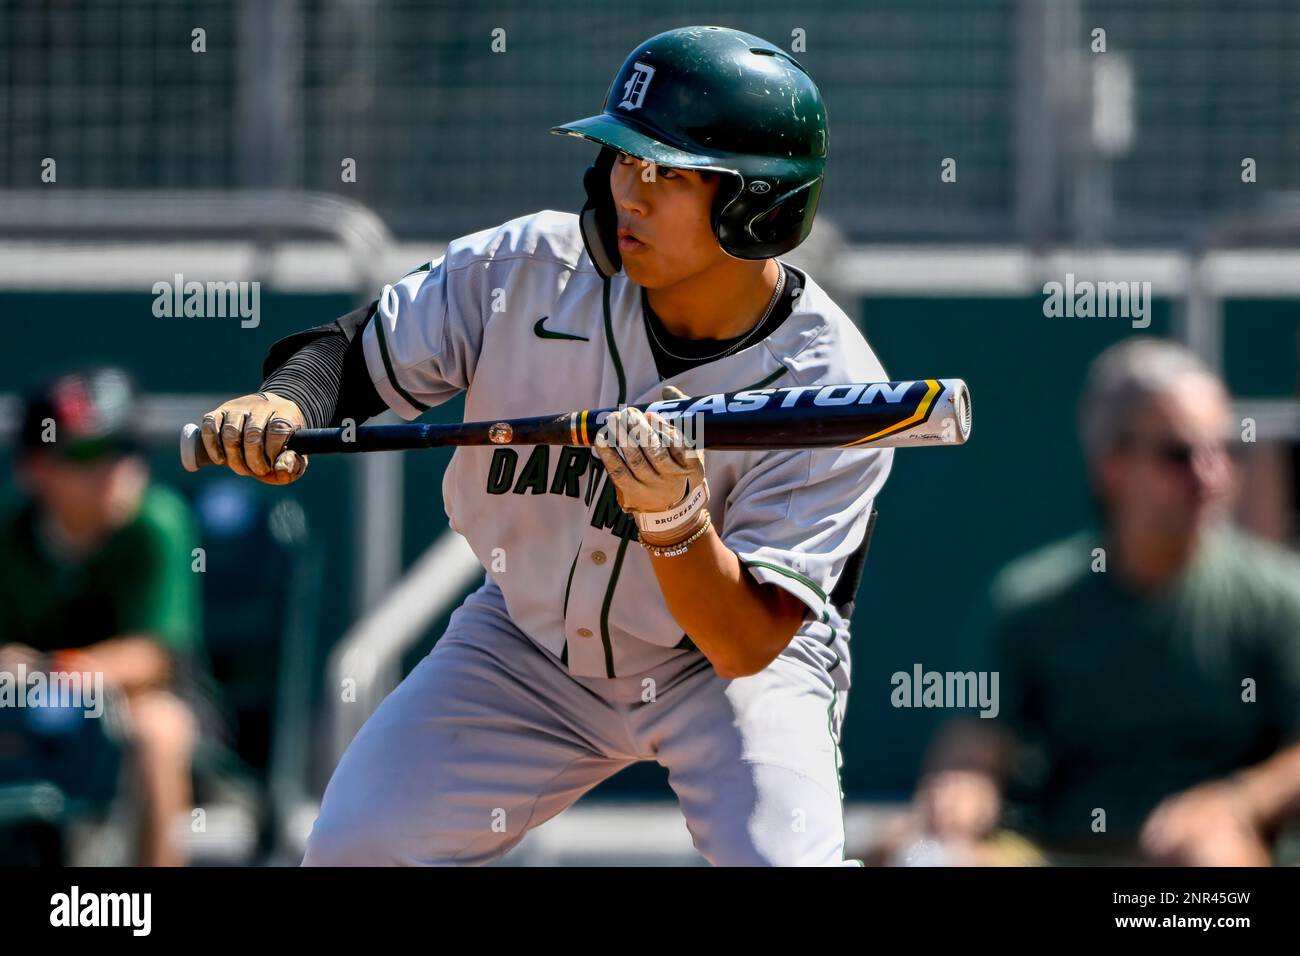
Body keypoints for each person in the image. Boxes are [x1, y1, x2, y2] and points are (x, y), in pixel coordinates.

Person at [202, 26, 894, 865]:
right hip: (528, 641)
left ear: (757, 205)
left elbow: (745, 643)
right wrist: (282, 402)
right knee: (356, 849)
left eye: (666, 173)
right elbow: (353, 351)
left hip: (725, 677)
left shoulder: (831, 382)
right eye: (621, 158)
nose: (626, 192)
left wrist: (673, 518)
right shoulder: (526, 268)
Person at [899, 338, 1300, 865]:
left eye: (1224, 449)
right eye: (1179, 454)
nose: (1212, 476)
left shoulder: (1276, 596)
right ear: (1113, 466)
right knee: (925, 858)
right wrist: (958, 795)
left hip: (1207, 857)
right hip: (1055, 848)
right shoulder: (1031, 601)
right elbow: (974, 748)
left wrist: (1232, 804)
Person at [0, 367, 203, 866]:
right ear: (34, 468)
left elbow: (154, 657)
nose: (113, 469)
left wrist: (50, 669)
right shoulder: (10, 530)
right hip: (27, 718)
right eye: (86, 454)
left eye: (125, 449)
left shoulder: (157, 523)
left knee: (160, 731)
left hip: (142, 708)